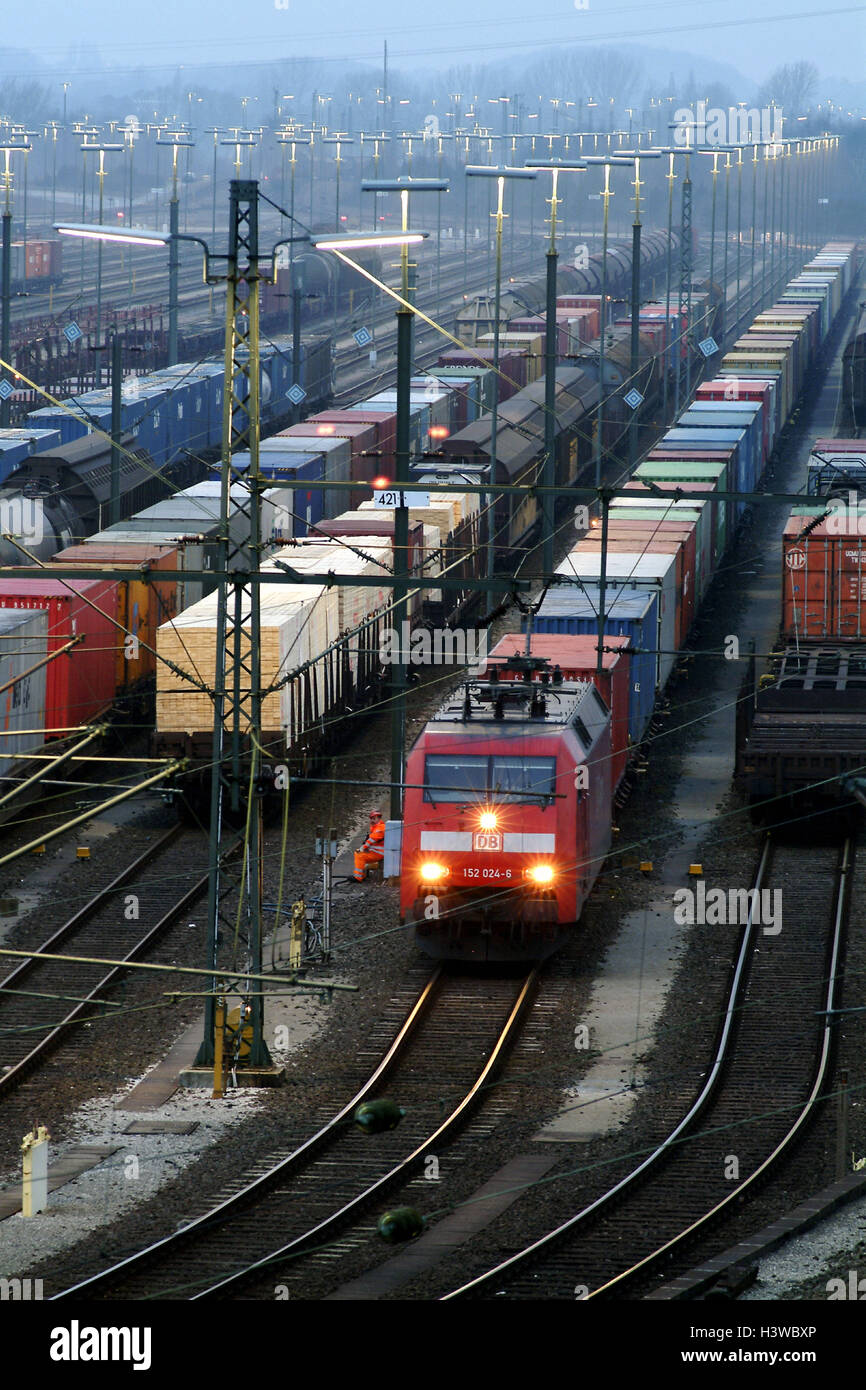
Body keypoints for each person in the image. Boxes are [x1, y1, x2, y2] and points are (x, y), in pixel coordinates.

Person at [353, 811, 386, 882]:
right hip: (376, 852)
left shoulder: (381, 828)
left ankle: (358, 878)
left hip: (379, 853)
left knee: (359, 855)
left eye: (374, 818)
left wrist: (363, 848)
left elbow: (372, 840)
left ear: (378, 818)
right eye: (371, 819)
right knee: (358, 853)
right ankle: (361, 875)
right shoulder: (377, 827)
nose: (372, 820)